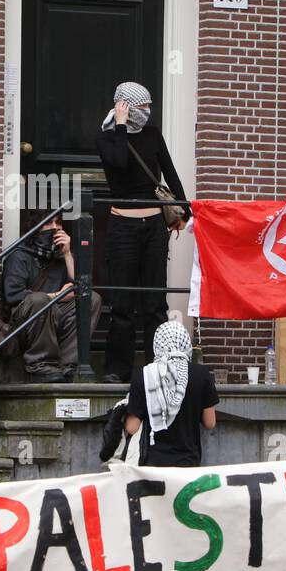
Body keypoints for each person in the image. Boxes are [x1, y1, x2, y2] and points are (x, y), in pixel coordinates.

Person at [96, 82, 190, 383]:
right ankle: (117, 370)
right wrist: (121, 126)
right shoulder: (107, 137)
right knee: (122, 304)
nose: (147, 112)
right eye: (142, 107)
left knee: (154, 303)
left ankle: (159, 367)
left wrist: (183, 210)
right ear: (124, 106)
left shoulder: (153, 134)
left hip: (153, 228)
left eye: (149, 106)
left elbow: (170, 171)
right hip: (122, 227)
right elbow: (120, 163)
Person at [0, 211, 103, 382]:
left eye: (58, 223)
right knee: (39, 300)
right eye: (48, 223)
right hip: (24, 323)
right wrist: (56, 296)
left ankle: (67, 364)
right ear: (35, 228)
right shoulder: (19, 255)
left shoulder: (60, 258)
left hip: (55, 317)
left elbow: (80, 286)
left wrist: (68, 254)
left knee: (91, 299)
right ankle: (39, 365)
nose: (55, 228)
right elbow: (14, 296)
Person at [123, 320, 218, 467]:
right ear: (186, 342)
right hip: (188, 462)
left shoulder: (145, 375)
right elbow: (210, 423)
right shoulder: (202, 374)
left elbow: (131, 427)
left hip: (152, 464)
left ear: (157, 344)